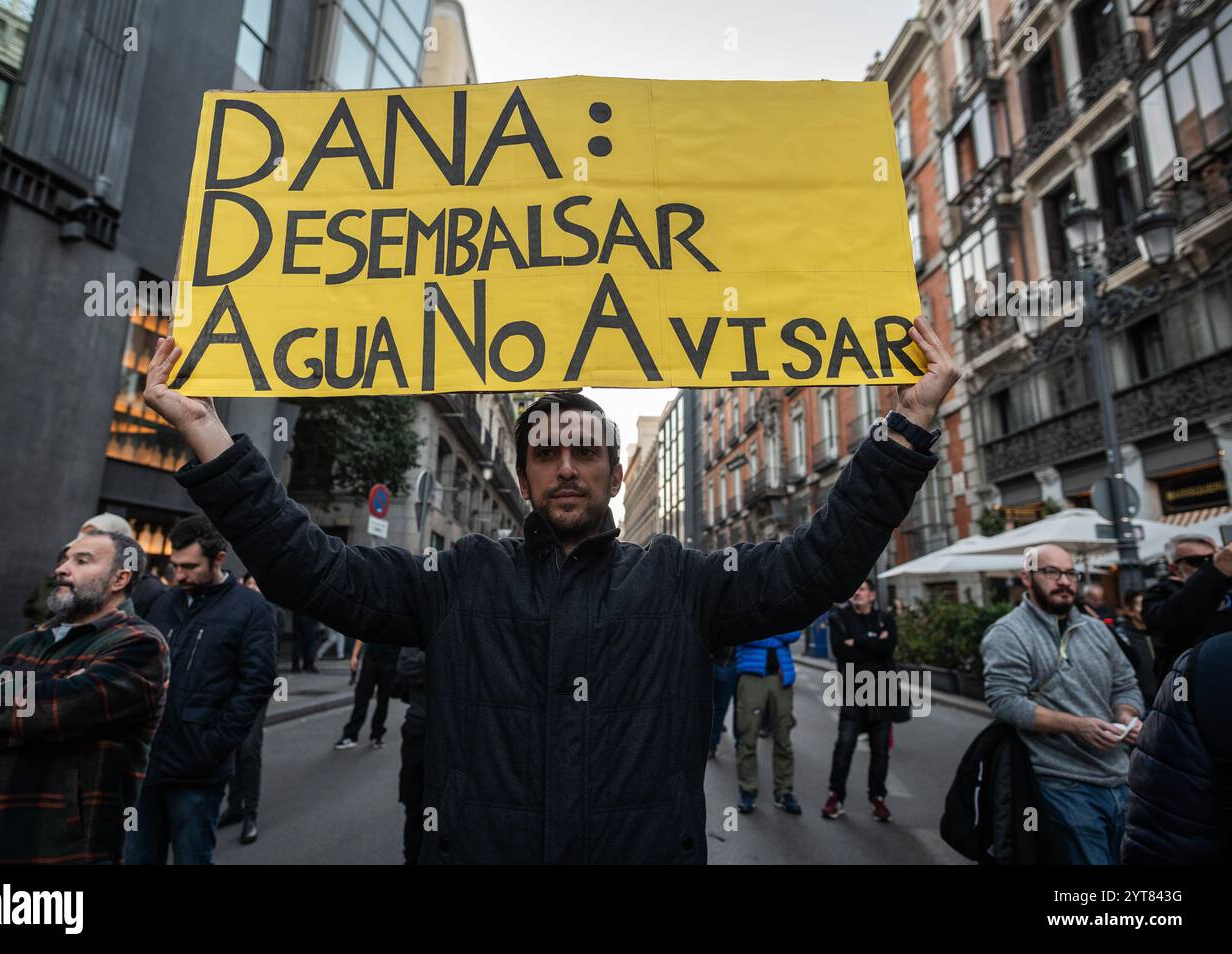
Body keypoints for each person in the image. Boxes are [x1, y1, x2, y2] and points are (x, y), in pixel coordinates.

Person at [143, 316, 958, 864]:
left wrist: (908, 430)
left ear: (612, 470)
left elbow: (818, 565)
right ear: (527, 471)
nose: (566, 466)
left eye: (585, 450)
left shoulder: (681, 581)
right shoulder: (457, 578)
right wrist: (208, 434)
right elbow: (309, 569)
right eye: (546, 452)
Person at [0, 531, 168, 864]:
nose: (61, 568)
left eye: (81, 560)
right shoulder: (25, 642)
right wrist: (32, 713)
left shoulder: (140, 645)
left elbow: (55, 710)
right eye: (63, 559)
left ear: (120, 578)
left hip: (52, 853)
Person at [125, 515, 277, 864]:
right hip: (147, 765)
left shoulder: (252, 609)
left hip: (198, 772)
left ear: (219, 559)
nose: (179, 575)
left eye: (190, 566)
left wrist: (213, 745)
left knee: (192, 857)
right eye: (174, 565)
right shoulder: (163, 603)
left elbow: (255, 684)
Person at [981, 544, 1145, 865]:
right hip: (1063, 785)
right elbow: (1004, 701)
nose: (1065, 581)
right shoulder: (1008, 633)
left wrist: (1127, 716)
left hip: (1123, 779)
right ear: (1026, 578)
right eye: (1051, 572)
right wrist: (1077, 726)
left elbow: (1125, 684)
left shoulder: (1096, 628)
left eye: (1070, 573)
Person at [1122, 631, 1232, 864]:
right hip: (1070, 772)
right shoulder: (1209, 666)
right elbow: (1166, 840)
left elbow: (1123, 682)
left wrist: (1125, 707)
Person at [822, 579, 898, 822]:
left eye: (862, 589)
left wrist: (858, 641)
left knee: (880, 750)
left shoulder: (885, 618)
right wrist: (874, 642)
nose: (857, 593)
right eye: (854, 589)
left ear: (872, 595)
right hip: (854, 691)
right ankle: (836, 796)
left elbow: (889, 647)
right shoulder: (839, 618)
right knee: (844, 745)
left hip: (882, 691)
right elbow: (841, 651)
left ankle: (878, 799)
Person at [218, 573, 282, 844]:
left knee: (249, 749)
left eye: (259, 583)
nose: (254, 587)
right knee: (230, 748)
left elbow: (268, 660)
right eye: (250, 583)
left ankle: (249, 814)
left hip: (254, 691)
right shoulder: (230, 610)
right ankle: (234, 807)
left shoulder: (268, 613)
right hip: (227, 690)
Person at [1142, 533, 1232, 681]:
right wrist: (1215, 572)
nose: (1208, 565)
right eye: (1196, 561)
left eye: (1212, 559)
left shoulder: (1225, 587)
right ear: (1175, 568)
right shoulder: (1158, 595)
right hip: (1190, 688)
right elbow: (1176, 622)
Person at [734, 631, 801, 814]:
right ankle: (748, 790)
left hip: (781, 678)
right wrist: (778, 631)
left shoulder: (785, 603)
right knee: (747, 737)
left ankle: (784, 792)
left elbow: (795, 632)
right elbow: (745, 632)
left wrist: (766, 629)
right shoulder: (745, 602)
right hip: (752, 677)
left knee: (783, 739)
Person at [394, 646, 427, 864]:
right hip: (418, 728)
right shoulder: (419, 624)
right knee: (414, 806)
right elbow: (405, 668)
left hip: (451, 731)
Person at [334, 640, 398, 749]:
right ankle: (351, 735)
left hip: (391, 660)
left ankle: (377, 734)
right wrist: (355, 656)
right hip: (371, 659)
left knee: (383, 700)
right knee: (361, 697)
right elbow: (362, 634)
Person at [1112, 588, 1157, 706]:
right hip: (1141, 701)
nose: (1148, 609)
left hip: (1164, 697)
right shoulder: (1123, 636)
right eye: (1142, 605)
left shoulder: (1159, 632)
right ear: (1130, 611)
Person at [708, 645, 737, 759]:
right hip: (725, 665)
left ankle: (741, 745)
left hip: (742, 666)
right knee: (719, 708)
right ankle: (712, 744)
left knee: (741, 710)